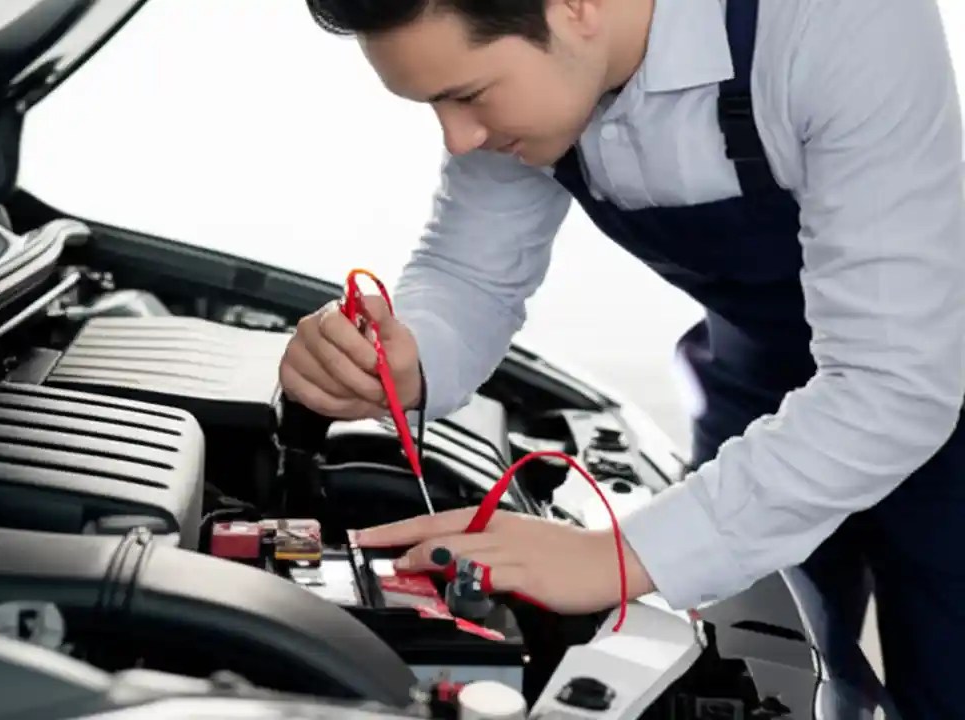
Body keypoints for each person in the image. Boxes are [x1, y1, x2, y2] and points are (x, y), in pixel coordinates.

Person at [276, 0, 965, 714]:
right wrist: (404, 358)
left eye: (467, 95)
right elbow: (470, 273)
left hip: (938, 377)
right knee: (794, 670)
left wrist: (619, 554)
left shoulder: (842, 20)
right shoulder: (541, 71)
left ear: (576, 8)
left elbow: (896, 382)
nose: (457, 138)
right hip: (755, 376)